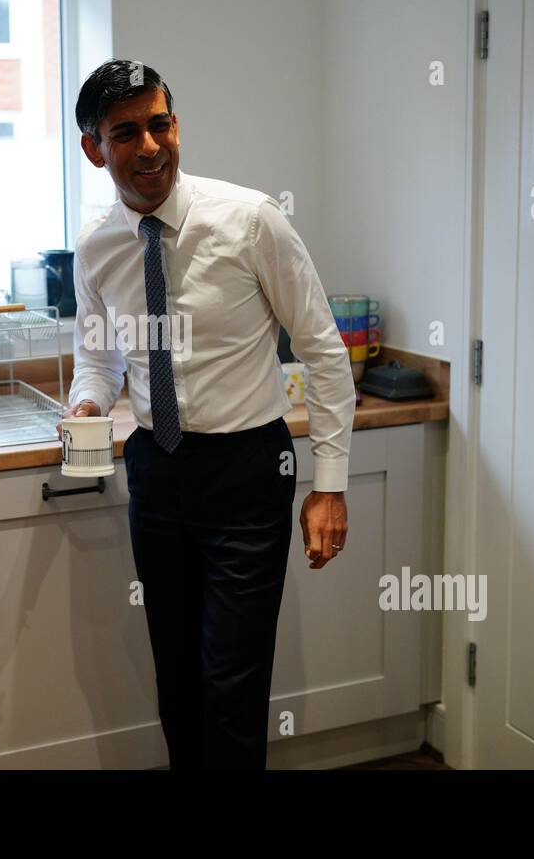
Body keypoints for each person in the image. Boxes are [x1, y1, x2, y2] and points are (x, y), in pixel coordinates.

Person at [64, 60, 357, 769]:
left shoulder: (251, 220)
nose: (150, 147)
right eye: (125, 132)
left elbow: (321, 348)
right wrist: (86, 403)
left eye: (160, 124)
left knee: (232, 682)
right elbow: (101, 361)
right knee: (178, 679)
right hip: (158, 473)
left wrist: (331, 483)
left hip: (247, 470)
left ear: (176, 124)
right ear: (94, 148)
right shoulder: (99, 245)